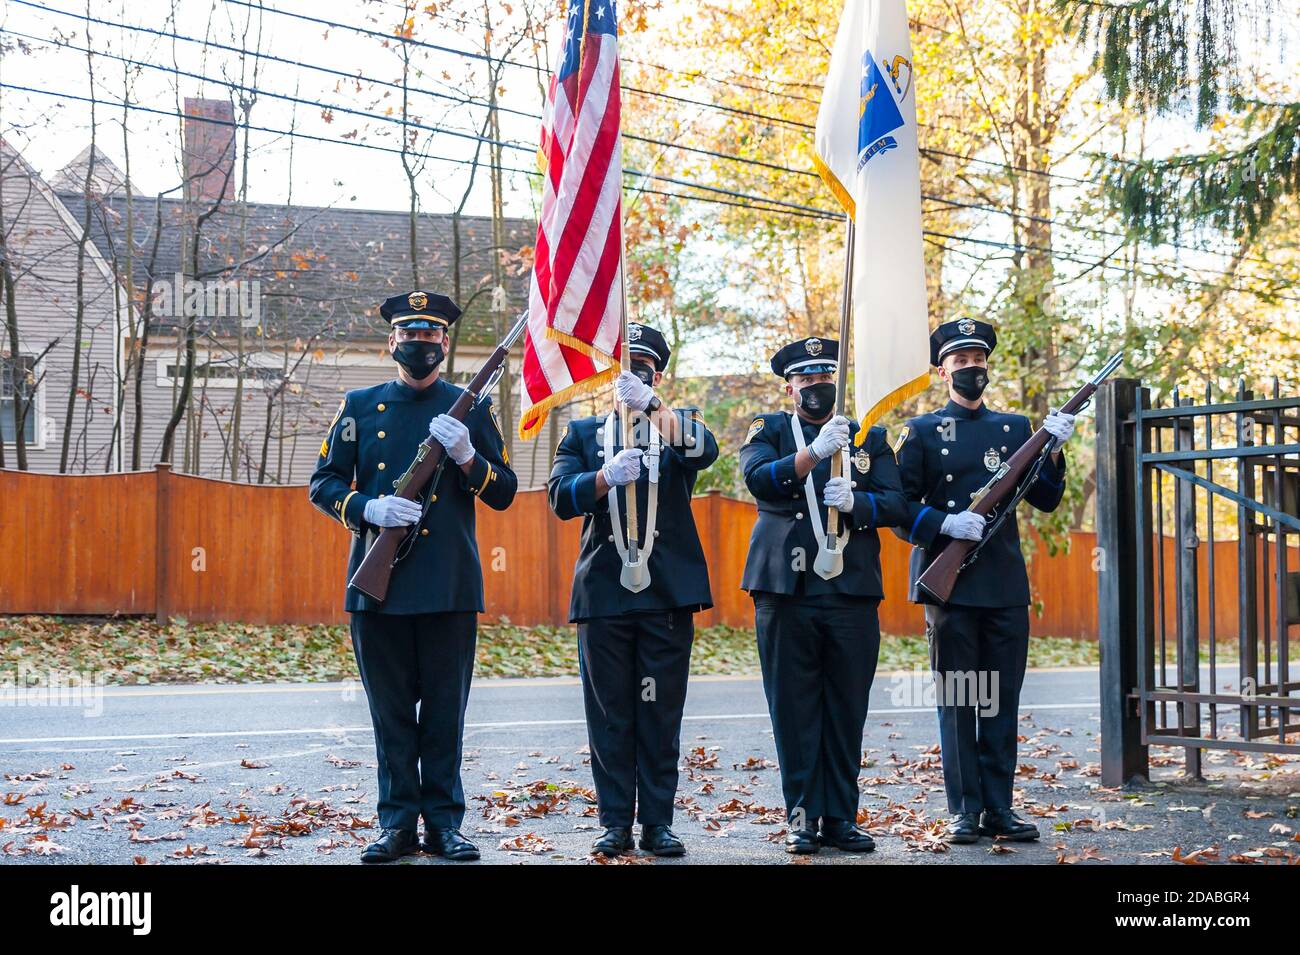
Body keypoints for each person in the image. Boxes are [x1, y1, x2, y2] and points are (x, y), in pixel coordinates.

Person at [309, 290, 517, 863]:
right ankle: (397, 823)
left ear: (444, 344)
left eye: (430, 336)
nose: (420, 344)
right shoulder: (359, 404)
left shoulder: (469, 408)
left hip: (447, 586)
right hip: (380, 588)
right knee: (392, 713)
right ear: (391, 342)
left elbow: (503, 492)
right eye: (410, 334)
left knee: (446, 715)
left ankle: (445, 824)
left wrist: (471, 457)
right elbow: (322, 483)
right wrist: (369, 509)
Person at [893, 318, 1074, 844]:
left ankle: (999, 808)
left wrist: (1053, 451)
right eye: (961, 361)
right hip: (948, 585)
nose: (972, 368)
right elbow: (899, 508)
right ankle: (963, 811)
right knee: (958, 700)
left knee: (1000, 700)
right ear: (942, 369)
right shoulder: (922, 432)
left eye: (978, 360)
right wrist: (943, 524)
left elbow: (1045, 499)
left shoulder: (1016, 429)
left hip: (1002, 585)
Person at [547, 323, 718, 857]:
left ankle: (658, 824)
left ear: (657, 374)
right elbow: (559, 497)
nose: (634, 372)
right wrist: (602, 478)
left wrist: (655, 406)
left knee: (661, 715)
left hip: (665, 595)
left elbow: (704, 451)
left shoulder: (677, 425)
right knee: (611, 714)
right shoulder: (582, 434)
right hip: (605, 595)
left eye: (643, 365)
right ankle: (615, 821)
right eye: (625, 364)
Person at [739, 336, 909, 854]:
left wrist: (860, 503)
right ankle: (801, 819)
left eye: (824, 376)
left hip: (851, 590)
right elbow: (757, 480)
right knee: (793, 707)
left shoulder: (868, 435)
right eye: (806, 378)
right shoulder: (768, 429)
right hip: (785, 589)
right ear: (790, 386)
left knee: (845, 707)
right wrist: (812, 455)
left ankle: (839, 817)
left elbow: (897, 505)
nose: (816, 386)